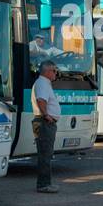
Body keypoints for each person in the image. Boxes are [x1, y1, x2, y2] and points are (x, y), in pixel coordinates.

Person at [32, 60, 61, 193]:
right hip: (44, 122)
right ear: (47, 71)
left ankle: (45, 183)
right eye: (54, 70)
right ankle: (43, 185)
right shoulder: (42, 83)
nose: (56, 73)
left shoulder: (44, 83)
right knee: (45, 154)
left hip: (45, 122)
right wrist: (47, 116)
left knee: (46, 154)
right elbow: (41, 101)